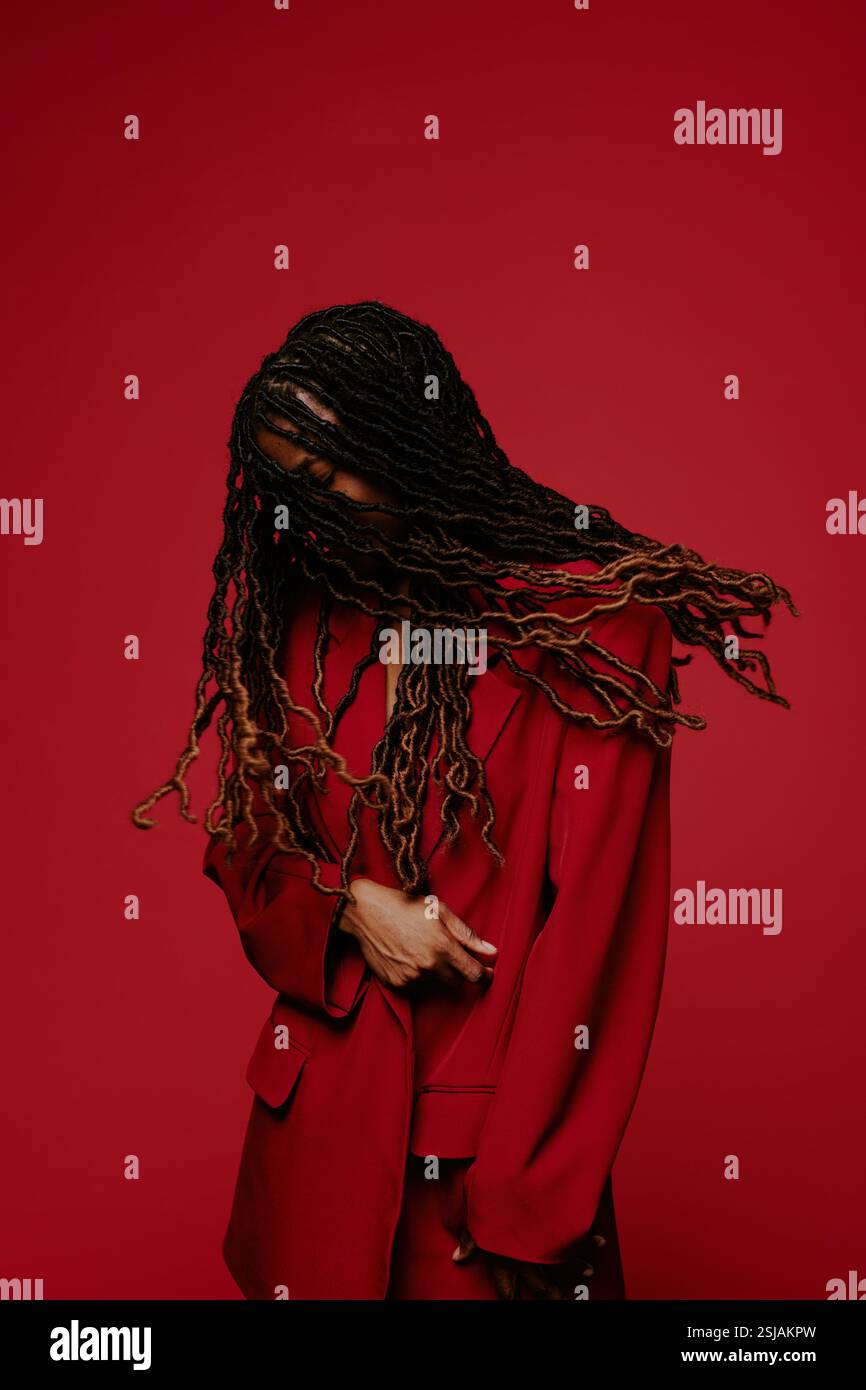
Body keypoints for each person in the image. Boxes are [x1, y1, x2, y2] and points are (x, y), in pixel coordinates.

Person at [132, 300, 795, 1300]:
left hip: (482, 1194)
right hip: (309, 1175)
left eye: (323, 478)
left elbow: (594, 947)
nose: (306, 515)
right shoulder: (299, 616)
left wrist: (530, 1215)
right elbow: (247, 842)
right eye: (283, 491)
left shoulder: (595, 629)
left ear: (410, 434)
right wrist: (352, 912)